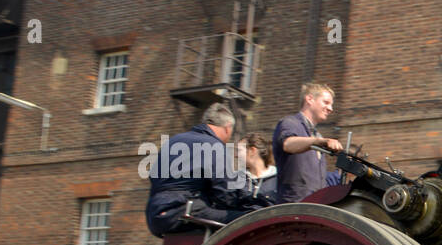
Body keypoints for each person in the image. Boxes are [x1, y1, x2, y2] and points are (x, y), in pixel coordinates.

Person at [144, 103, 265, 237]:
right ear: (227, 128)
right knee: (247, 220)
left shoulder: (172, 141)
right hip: (184, 210)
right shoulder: (214, 145)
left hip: (155, 215)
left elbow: (154, 177)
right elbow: (224, 193)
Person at [273, 82, 344, 204]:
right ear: (309, 99)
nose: (330, 109)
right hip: (294, 205)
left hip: (313, 206)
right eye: (326, 102)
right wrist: (320, 141)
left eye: (331, 105)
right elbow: (288, 144)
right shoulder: (290, 122)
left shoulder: (317, 135)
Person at [239, 133, 278, 204]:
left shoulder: (278, 179)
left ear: (252, 151)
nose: (236, 155)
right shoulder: (237, 179)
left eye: (239, 151)